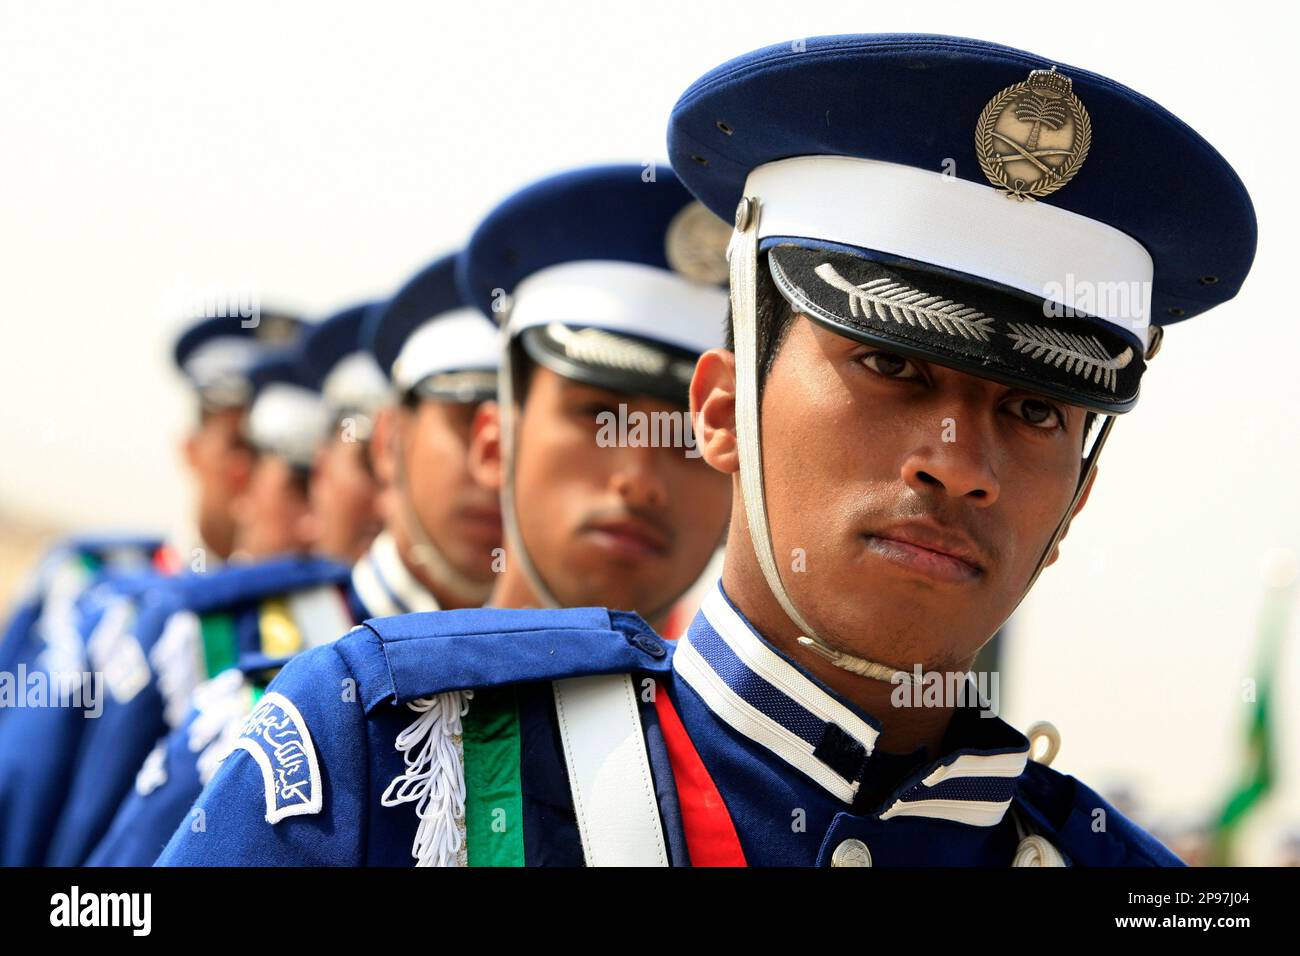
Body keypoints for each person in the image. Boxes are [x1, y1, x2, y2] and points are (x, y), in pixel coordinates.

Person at [163, 34, 1255, 867]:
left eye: (1032, 411)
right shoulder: (401, 766)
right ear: (722, 410)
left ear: (1076, 501)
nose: (958, 459)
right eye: (893, 366)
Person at [156, 163, 735, 865]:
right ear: (495, 444)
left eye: (687, 437)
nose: (639, 478)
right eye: (598, 417)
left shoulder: (776, 782)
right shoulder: (346, 733)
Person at [86, 258, 502, 865]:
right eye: (468, 426)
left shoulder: (557, 689)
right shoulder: (208, 651)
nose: (489, 471)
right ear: (389, 445)